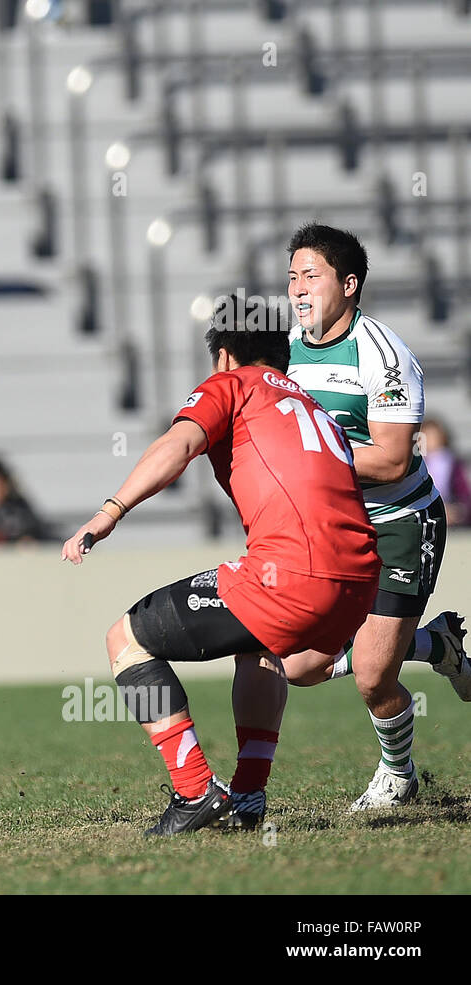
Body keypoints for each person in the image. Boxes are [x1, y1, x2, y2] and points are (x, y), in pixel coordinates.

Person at [62, 294, 379, 836]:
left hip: (294, 573)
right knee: (256, 647)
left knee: (127, 640)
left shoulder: (231, 385)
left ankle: (195, 791)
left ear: (225, 356)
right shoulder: (312, 406)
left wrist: (109, 511)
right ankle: (250, 796)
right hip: (357, 581)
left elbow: (178, 444)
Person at [275, 224, 470, 814]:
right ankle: (435, 643)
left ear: (349, 284)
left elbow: (389, 461)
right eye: (291, 277)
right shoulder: (286, 348)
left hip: (400, 524)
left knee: (370, 679)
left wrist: (310, 460)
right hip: (332, 527)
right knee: (296, 666)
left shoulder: (382, 355)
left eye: (312, 276)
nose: (298, 289)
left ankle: (399, 773)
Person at [420, 416, 471, 526]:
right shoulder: (415, 463)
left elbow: (464, 494)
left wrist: (457, 511)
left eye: (434, 437)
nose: (430, 441)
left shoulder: (452, 464)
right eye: (426, 436)